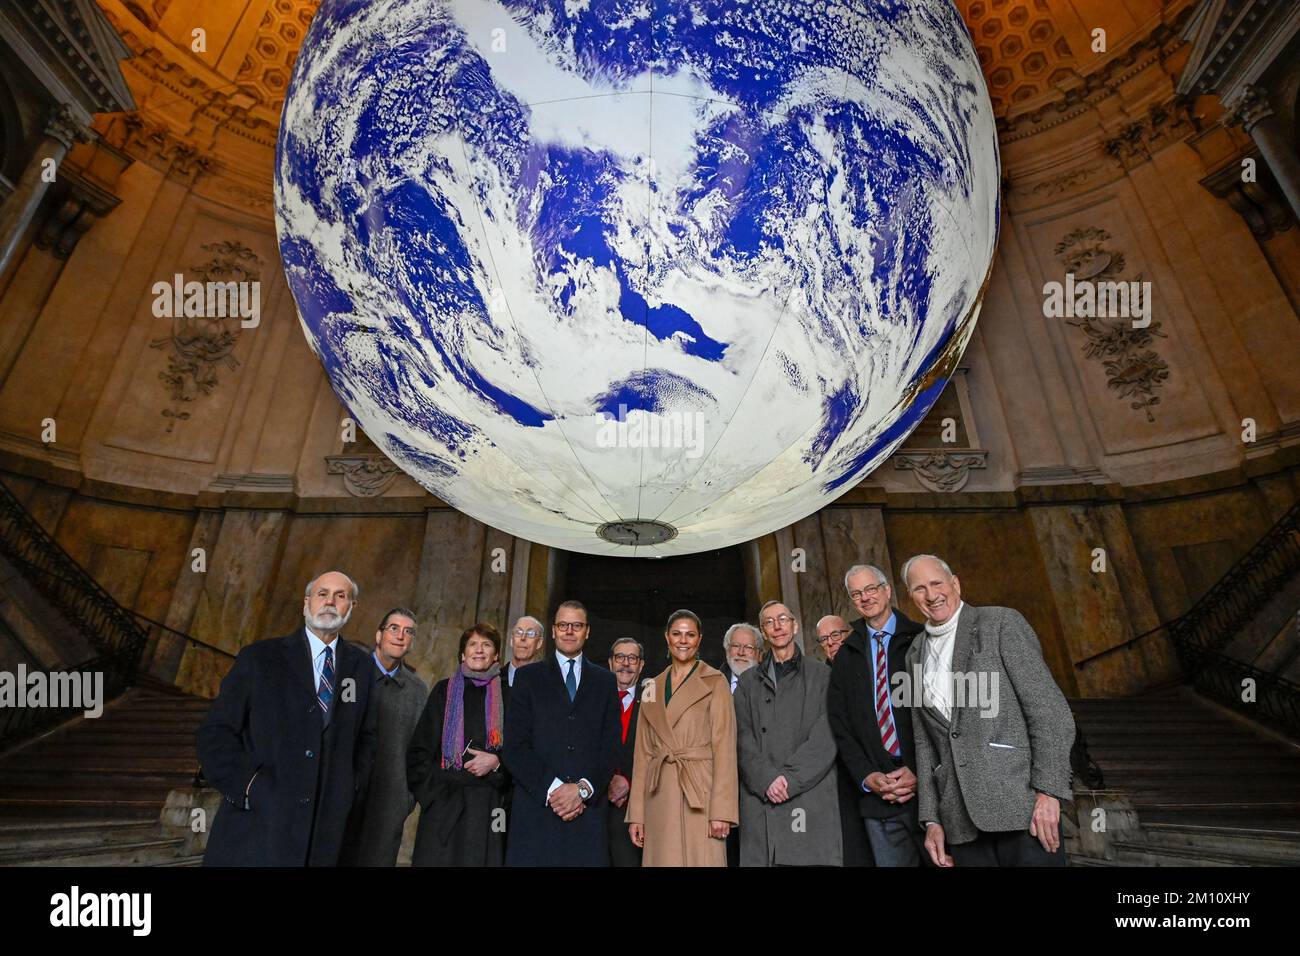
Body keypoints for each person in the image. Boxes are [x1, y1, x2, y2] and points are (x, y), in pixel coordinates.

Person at [901, 554, 1075, 867]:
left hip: (1022, 809)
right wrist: (932, 820)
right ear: (911, 597)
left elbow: (1049, 712)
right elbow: (925, 744)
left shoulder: (1000, 624)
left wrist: (1049, 792)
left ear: (955, 583)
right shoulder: (914, 653)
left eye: (937, 583)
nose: (930, 595)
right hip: (959, 821)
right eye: (919, 588)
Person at [197, 571, 377, 866]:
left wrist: (351, 787)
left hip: (324, 834)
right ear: (306, 602)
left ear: (352, 607)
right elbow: (216, 733)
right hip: (257, 828)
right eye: (322, 593)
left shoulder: (362, 669)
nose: (330, 601)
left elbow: (367, 737)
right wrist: (251, 787)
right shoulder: (260, 657)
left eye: (340, 596)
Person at [502, 600, 622, 866]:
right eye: (563, 625)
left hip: (587, 814)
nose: (569, 631)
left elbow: (611, 746)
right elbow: (514, 746)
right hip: (537, 810)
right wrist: (555, 790)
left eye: (576, 625)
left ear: (587, 631)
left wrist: (581, 790)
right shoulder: (527, 678)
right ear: (554, 631)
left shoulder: (605, 681)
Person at [826, 566, 926, 867]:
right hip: (877, 795)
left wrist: (918, 769)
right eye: (856, 593)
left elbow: (942, 717)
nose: (865, 598)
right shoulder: (847, 653)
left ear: (887, 590)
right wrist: (867, 776)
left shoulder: (921, 640)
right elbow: (840, 724)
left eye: (871, 589)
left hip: (927, 791)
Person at [626, 610, 738, 867]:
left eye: (690, 635)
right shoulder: (652, 686)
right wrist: (637, 815)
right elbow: (642, 754)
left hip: (700, 792)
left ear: (699, 639)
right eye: (677, 634)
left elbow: (725, 748)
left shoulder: (715, 681)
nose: (683, 640)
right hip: (659, 795)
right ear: (667, 638)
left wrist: (722, 811)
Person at [734, 601, 841, 866]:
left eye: (783, 619)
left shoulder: (822, 675)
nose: (777, 626)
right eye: (769, 622)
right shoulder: (747, 683)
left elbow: (826, 737)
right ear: (763, 632)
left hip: (809, 799)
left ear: (794, 626)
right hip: (761, 801)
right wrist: (767, 779)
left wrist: (789, 780)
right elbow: (740, 737)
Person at [407, 623, 510, 866]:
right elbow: (418, 752)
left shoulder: (509, 695)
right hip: (445, 806)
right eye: (472, 645)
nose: (479, 650)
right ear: (463, 654)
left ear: (496, 655)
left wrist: (497, 763)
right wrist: (435, 797)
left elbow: (520, 750)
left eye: (487, 645)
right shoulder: (443, 691)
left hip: (488, 808)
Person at [339, 607, 428, 866]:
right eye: (393, 628)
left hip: (389, 802)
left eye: (408, 631)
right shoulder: (350, 673)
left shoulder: (417, 690)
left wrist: (405, 799)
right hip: (343, 793)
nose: (400, 636)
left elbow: (419, 749)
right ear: (378, 635)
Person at [607, 637, 645, 866]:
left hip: (635, 808)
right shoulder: (594, 698)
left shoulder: (653, 701)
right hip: (595, 802)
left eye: (632, 658)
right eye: (620, 657)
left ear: (641, 665)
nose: (626, 663)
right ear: (610, 663)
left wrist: (628, 780)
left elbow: (657, 751)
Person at [720, 622, 762, 694]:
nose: (741, 653)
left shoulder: (769, 685)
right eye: (736, 646)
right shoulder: (713, 683)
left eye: (748, 647)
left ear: (759, 654)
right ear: (727, 651)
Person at [505, 616, 544, 687]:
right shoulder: (493, 680)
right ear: (511, 640)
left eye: (530, 634)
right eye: (518, 632)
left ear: (539, 643)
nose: (523, 638)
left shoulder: (549, 682)